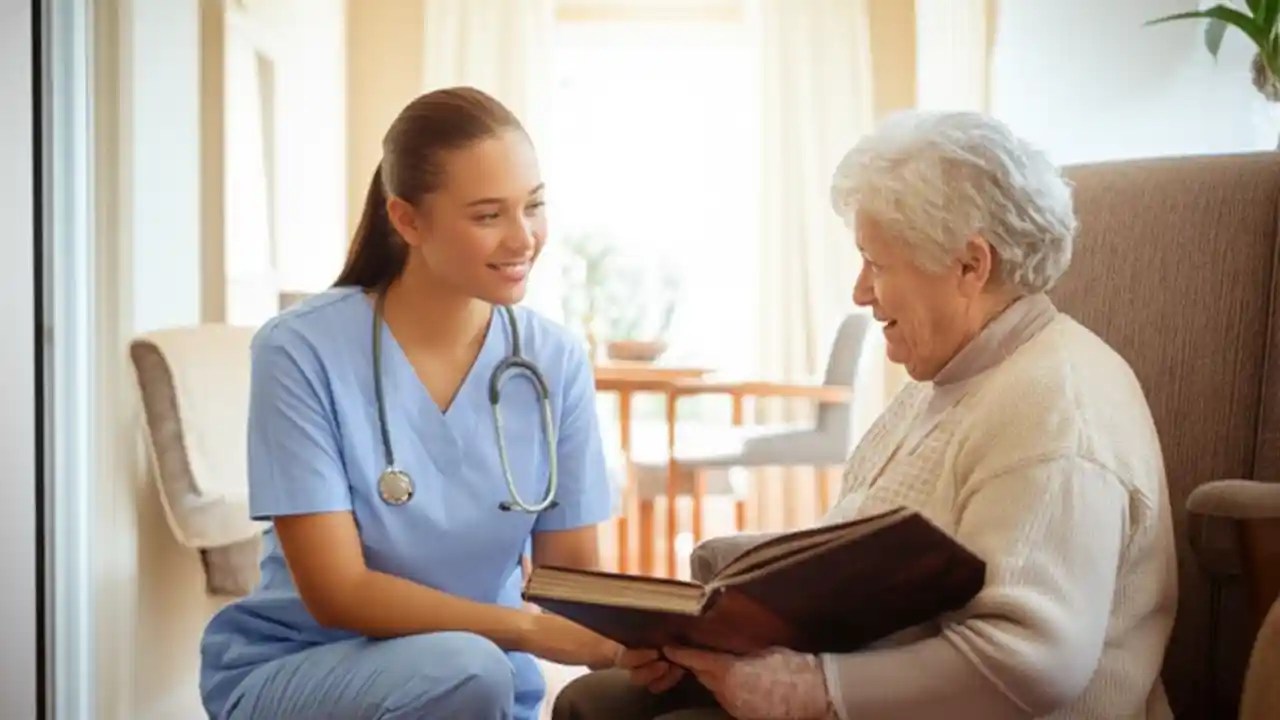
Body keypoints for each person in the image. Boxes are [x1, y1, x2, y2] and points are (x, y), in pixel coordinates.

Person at [553, 111, 1179, 719]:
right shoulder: (949, 378)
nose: (859, 292)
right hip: (872, 676)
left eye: (877, 264)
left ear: (971, 264)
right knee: (593, 703)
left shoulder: (1056, 408)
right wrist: (705, 622)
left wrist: (812, 690)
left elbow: (1029, 661)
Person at [198, 86, 626, 720]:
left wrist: (661, 637)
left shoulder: (552, 361)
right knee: (468, 668)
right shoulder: (299, 350)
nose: (524, 238)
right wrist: (527, 632)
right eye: (488, 216)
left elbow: (571, 584)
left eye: (533, 206)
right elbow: (338, 593)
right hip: (304, 668)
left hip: (480, 686)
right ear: (407, 220)